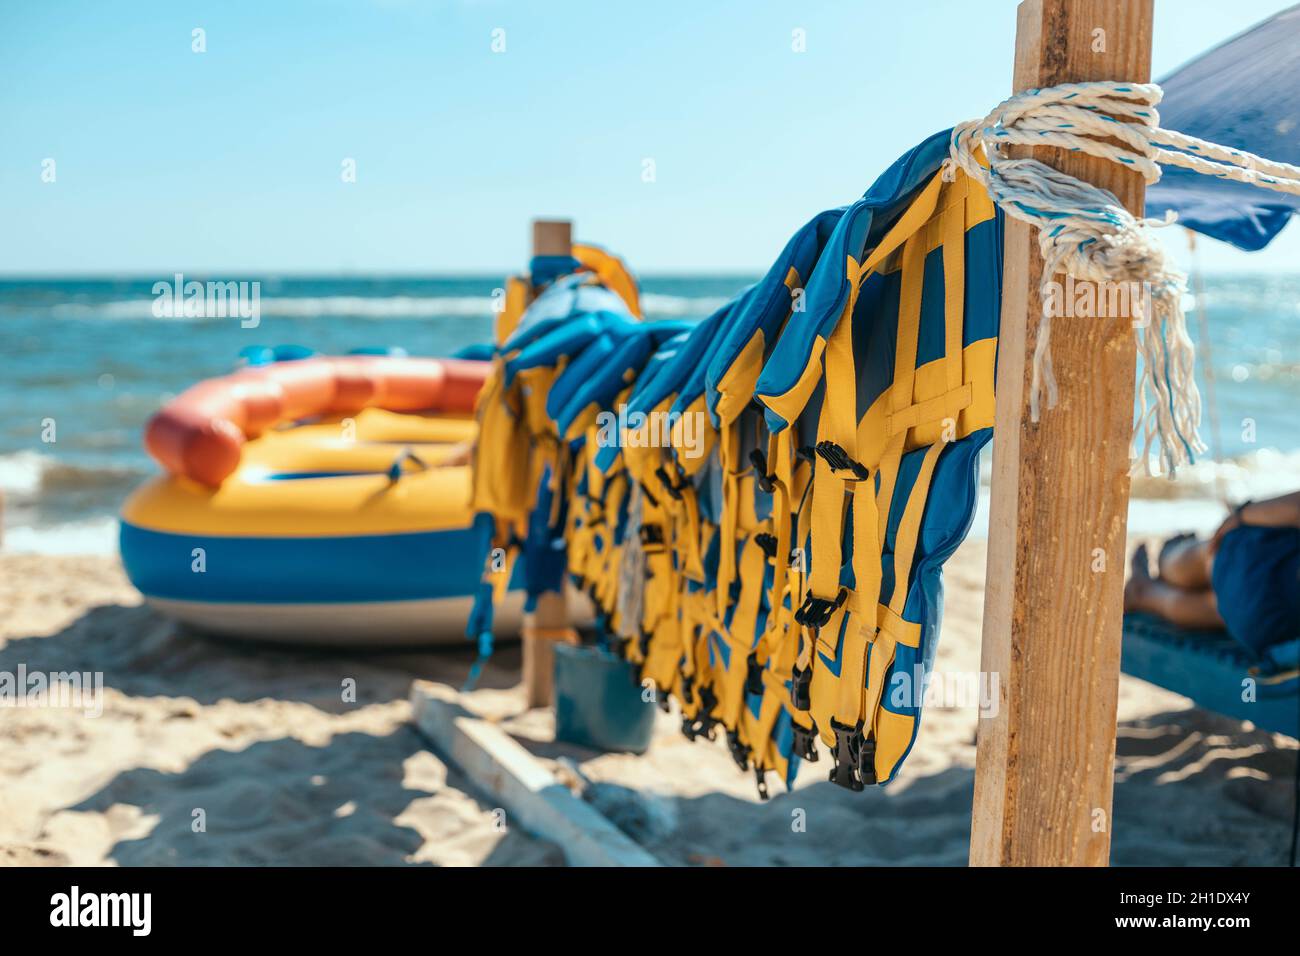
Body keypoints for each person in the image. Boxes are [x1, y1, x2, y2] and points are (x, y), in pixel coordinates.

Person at [1124, 489, 1300, 656]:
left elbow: (1296, 508)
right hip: (1269, 629)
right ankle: (1147, 596)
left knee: (1213, 553)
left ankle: (1168, 559)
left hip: (1263, 570)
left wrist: (1240, 516)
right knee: (1221, 608)